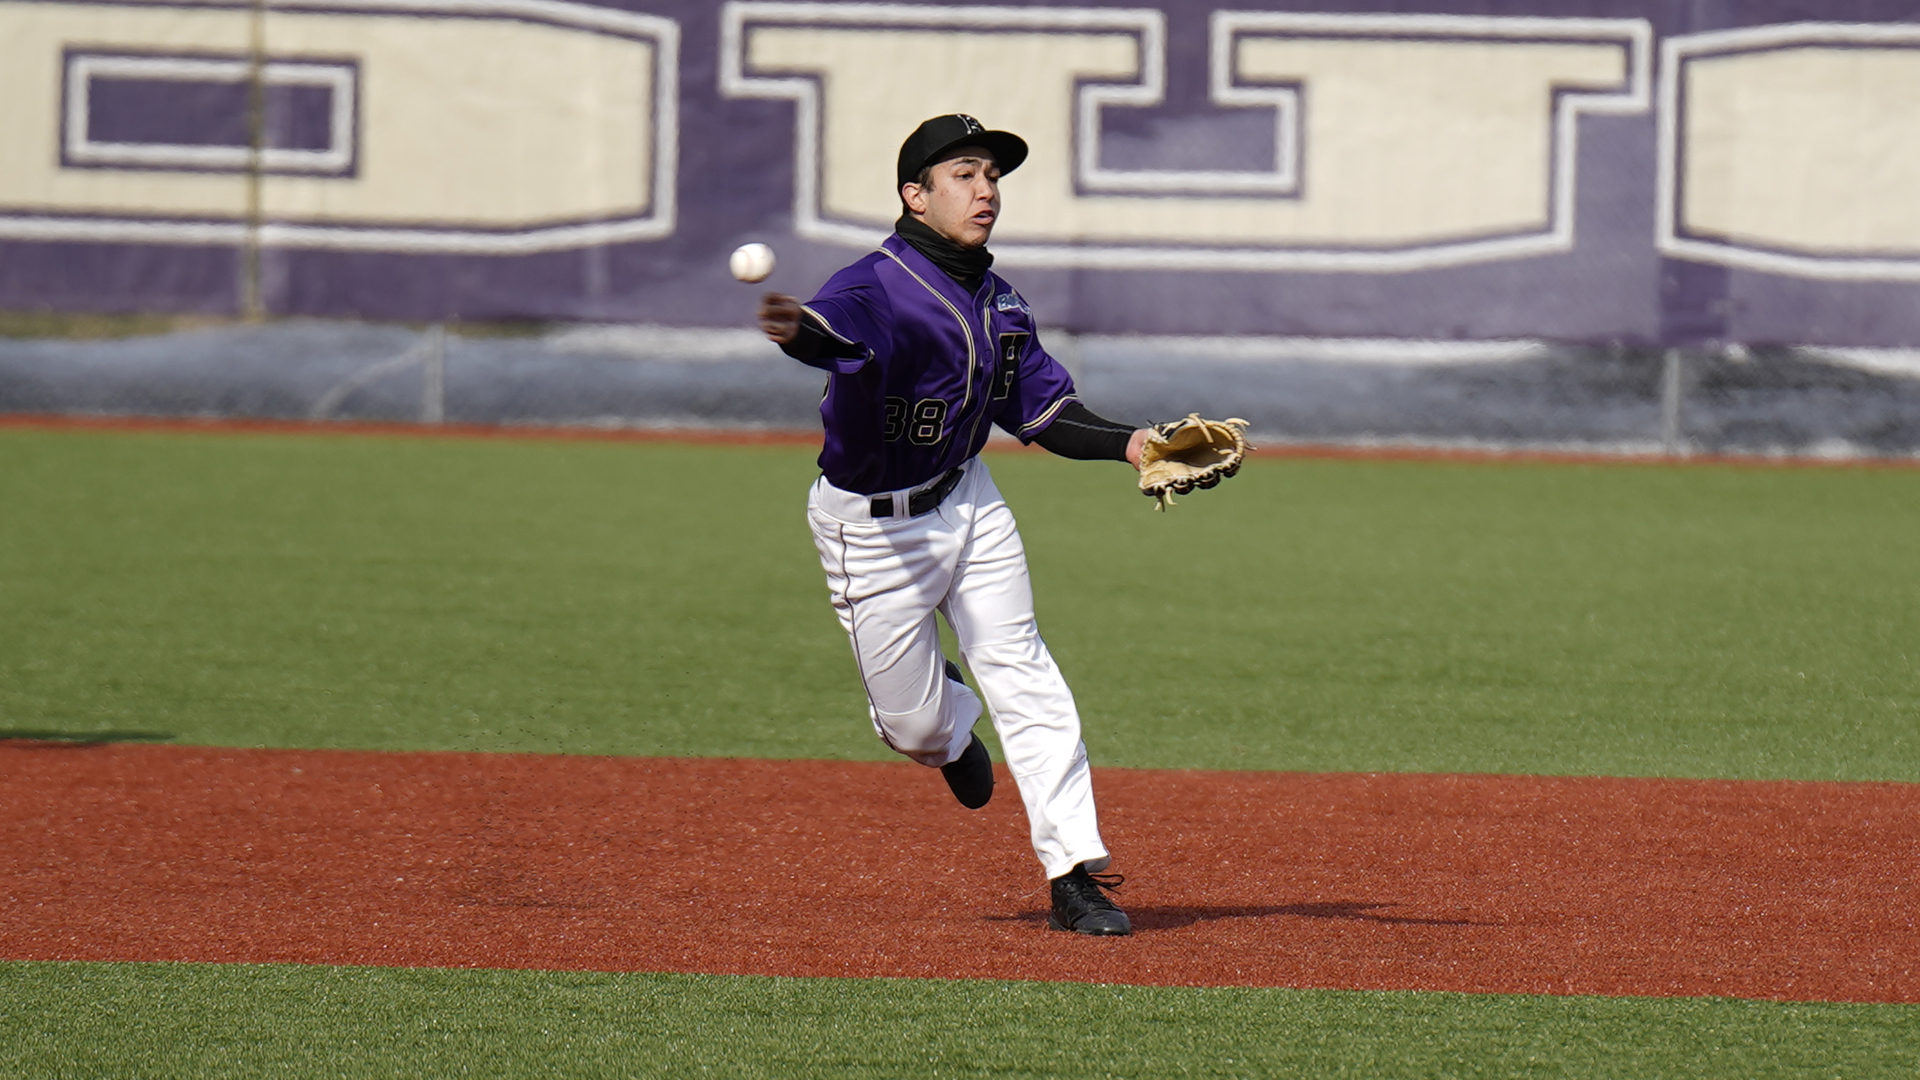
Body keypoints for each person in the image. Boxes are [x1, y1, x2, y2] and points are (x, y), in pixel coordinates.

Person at [756, 114, 1149, 936]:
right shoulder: (873, 286)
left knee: (1027, 674)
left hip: (968, 502)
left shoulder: (1002, 303)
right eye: (964, 174)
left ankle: (1075, 874)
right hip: (872, 530)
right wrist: (801, 332)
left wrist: (1133, 445)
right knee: (913, 726)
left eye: (992, 176)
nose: (985, 190)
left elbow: (1044, 413)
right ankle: (949, 727)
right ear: (915, 195)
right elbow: (833, 334)